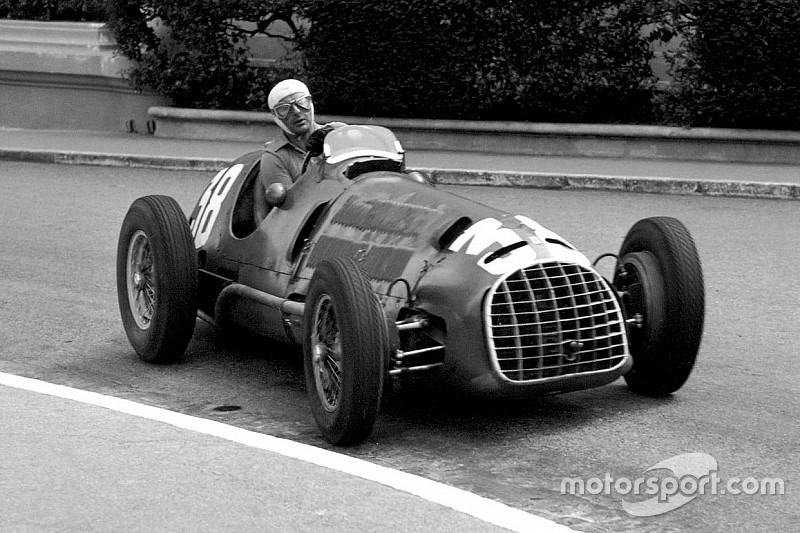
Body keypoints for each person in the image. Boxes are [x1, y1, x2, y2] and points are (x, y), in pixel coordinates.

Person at [258, 79, 345, 196]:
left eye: (302, 102)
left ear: (311, 103)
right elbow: (290, 209)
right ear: (275, 116)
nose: (296, 111)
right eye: (284, 108)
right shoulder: (275, 156)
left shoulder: (338, 132)